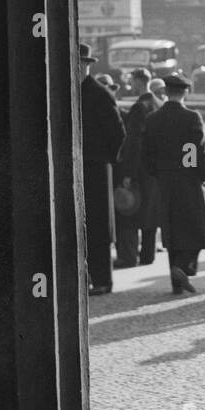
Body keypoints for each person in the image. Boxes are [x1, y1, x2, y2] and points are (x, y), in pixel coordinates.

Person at [142, 74, 205, 294]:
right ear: (185, 92)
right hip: (187, 179)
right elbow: (194, 149)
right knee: (196, 229)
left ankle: (176, 282)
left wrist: (159, 174)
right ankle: (183, 267)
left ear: (166, 92)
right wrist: (197, 174)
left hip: (164, 180)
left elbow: (147, 154)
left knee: (171, 230)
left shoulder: (153, 118)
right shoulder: (191, 117)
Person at [79, 43, 125, 295]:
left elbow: (118, 133)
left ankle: (103, 280)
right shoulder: (74, 91)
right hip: (82, 166)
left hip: (96, 167)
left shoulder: (99, 93)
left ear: (85, 66)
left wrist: (104, 159)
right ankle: (86, 277)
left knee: (97, 226)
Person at [116, 68, 160, 267]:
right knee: (150, 213)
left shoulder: (138, 108)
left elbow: (134, 142)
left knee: (132, 212)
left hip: (140, 168)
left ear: (139, 82)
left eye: (132, 80)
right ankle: (148, 255)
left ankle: (130, 255)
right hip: (155, 169)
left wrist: (128, 172)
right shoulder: (158, 105)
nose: (131, 84)